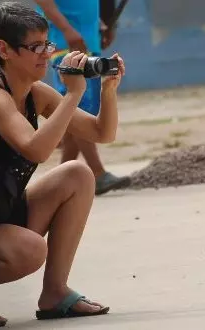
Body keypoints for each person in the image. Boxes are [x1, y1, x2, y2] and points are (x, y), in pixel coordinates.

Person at [0, 2, 125, 330]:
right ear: (5, 50)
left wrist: (109, 91)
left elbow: (102, 133)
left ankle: (55, 293)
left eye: (47, 44)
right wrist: (73, 95)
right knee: (31, 250)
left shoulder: (35, 93)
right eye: (34, 47)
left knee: (78, 174)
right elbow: (37, 151)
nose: (45, 54)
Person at [35, 0, 131, 195]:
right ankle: (97, 173)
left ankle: (59, 181)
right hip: (65, 44)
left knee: (78, 115)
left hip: (86, 41)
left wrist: (100, 24)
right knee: (77, 109)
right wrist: (68, 30)